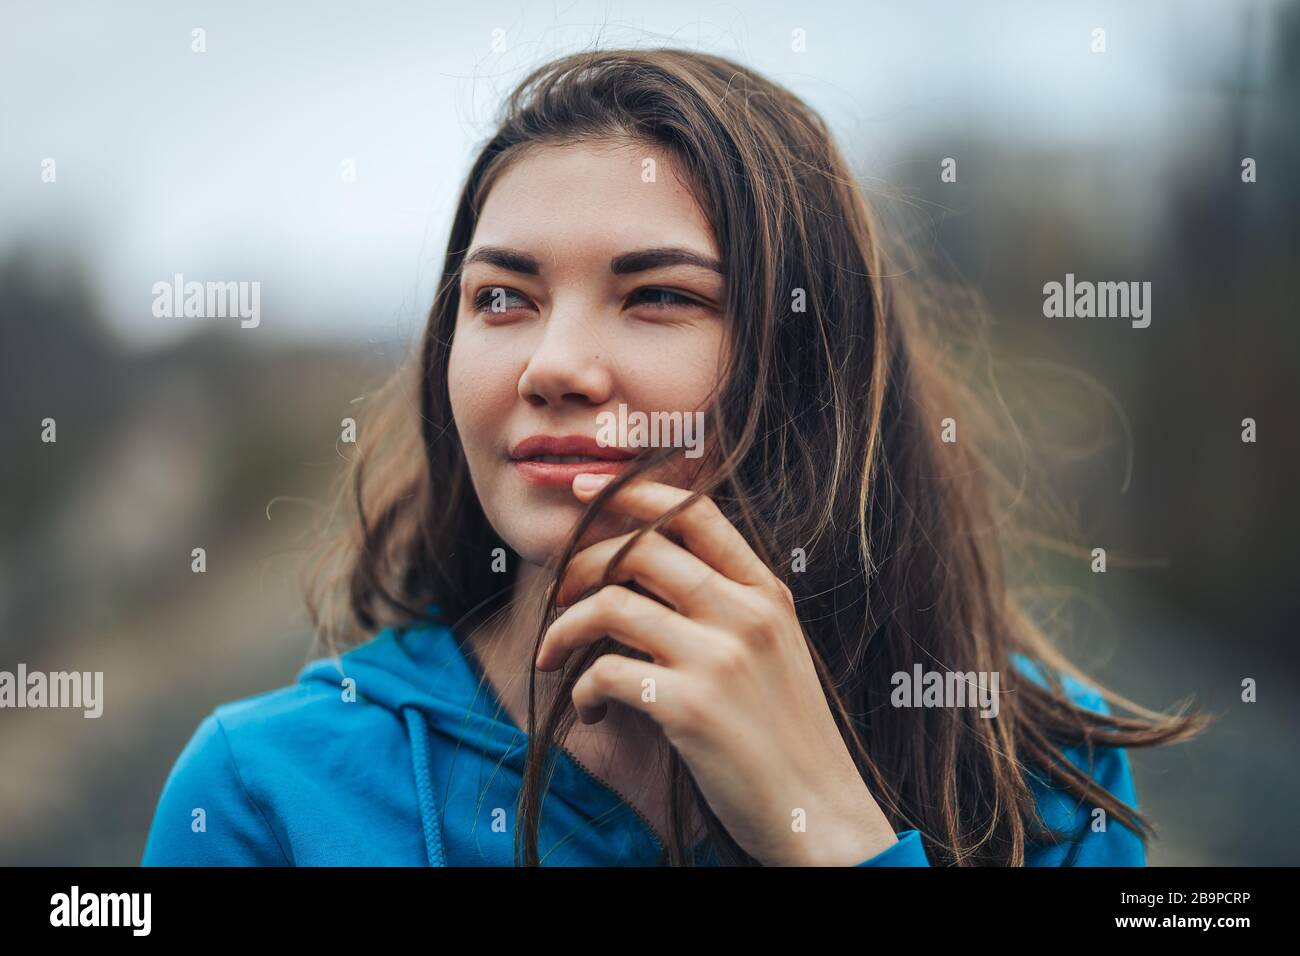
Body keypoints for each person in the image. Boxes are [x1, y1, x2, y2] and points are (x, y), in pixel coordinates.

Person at [142, 48, 1206, 867]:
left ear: (806, 358)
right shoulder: (263, 789)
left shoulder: (1031, 768)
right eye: (501, 297)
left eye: (658, 295)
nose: (553, 365)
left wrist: (836, 835)